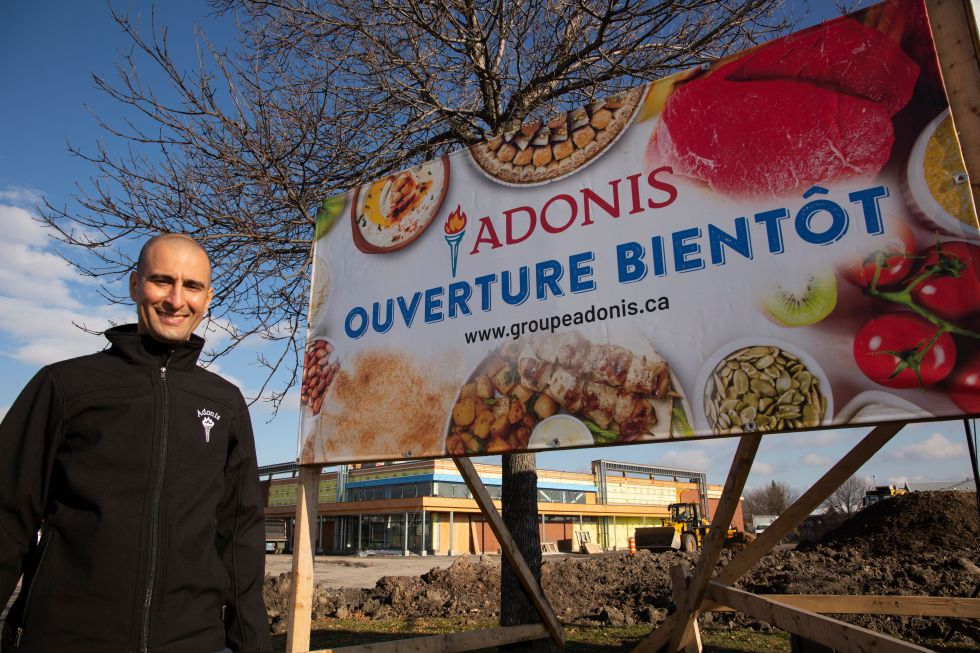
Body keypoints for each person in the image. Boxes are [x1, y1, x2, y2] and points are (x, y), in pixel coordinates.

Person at [0, 234, 272, 653]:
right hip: (65, 637)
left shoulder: (225, 403)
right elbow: (8, 516)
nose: (176, 299)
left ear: (208, 296)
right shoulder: (66, 386)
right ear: (134, 285)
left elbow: (240, 537)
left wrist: (252, 644)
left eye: (192, 286)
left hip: (191, 642)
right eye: (162, 281)